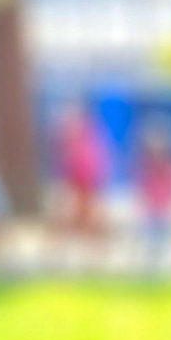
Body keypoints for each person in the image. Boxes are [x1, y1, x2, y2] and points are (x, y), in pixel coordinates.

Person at [136, 114, 171, 269]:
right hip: (151, 209)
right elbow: (143, 186)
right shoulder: (146, 165)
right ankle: (151, 265)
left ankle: (165, 266)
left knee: (166, 242)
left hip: (167, 209)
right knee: (151, 241)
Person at [54, 100, 111, 244]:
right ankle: (80, 235)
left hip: (87, 178)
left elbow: (95, 160)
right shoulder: (72, 139)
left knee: (87, 207)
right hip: (77, 178)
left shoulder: (88, 138)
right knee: (75, 207)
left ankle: (93, 237)